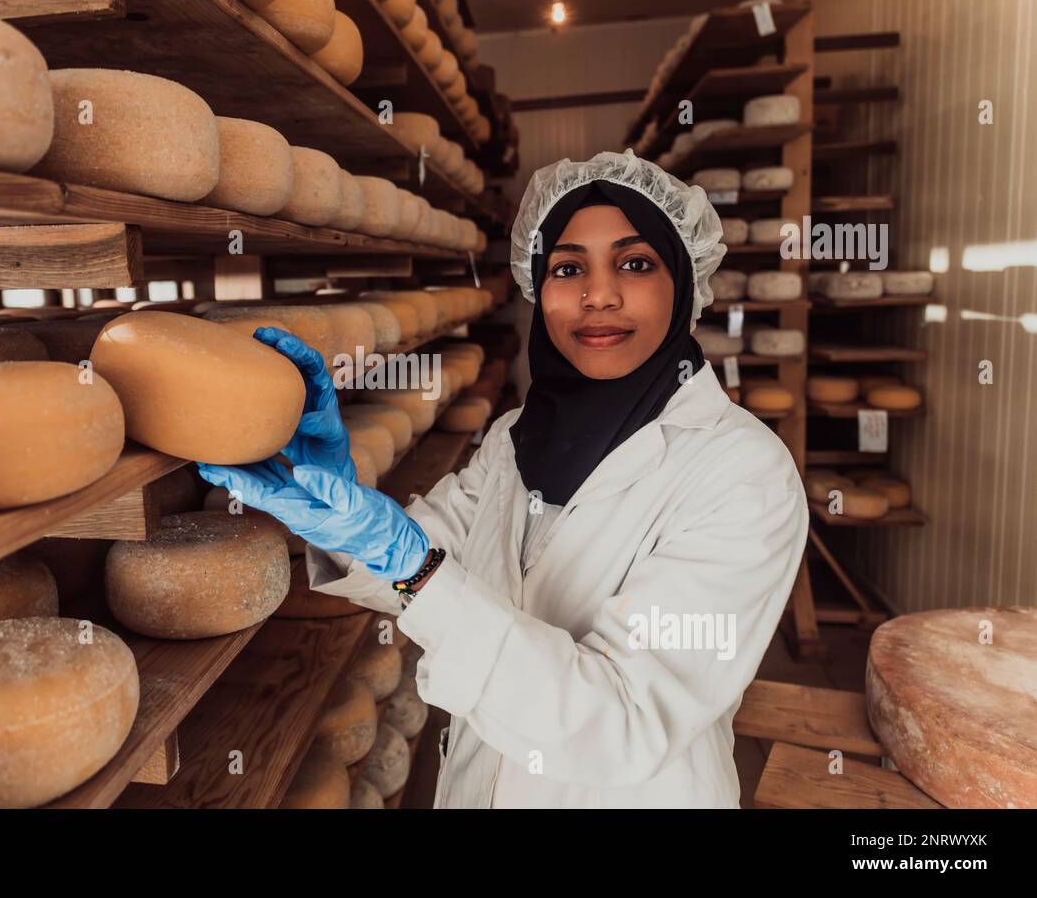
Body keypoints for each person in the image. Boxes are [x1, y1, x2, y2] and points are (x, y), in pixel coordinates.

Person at [199, 150, 808, 808]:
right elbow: (422, 552)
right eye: (568, 267)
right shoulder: (518, 437)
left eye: (635, 264)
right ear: (536, 287)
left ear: (683, 284)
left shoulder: (743, 472)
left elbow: (622, 719)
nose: (597, 294)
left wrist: (412, 564)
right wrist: (346, 513)